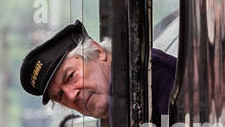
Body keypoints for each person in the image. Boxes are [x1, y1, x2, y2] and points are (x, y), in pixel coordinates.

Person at [20, 20, 176, 118]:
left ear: (97, 51)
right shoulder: (125, 104)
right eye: (60, 96)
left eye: (70, 77)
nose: (71, 96)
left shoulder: (149, 77)